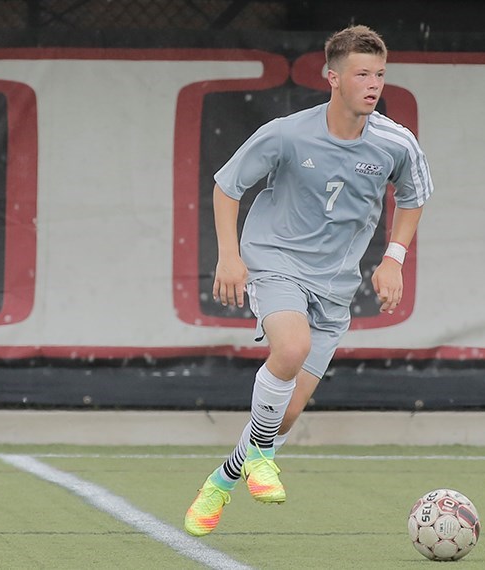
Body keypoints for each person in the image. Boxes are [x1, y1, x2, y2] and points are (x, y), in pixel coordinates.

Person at [183, 24, 433, 536]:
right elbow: (226, 187)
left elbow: (413, 197)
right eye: (361, 74)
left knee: (286, 414)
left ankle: (222, 481)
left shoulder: (396, 142)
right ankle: (260, 460)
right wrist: (229, 256)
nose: (373, 85)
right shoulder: (287, 133)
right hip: (276, 261)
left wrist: (394, 259)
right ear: (332, 78)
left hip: (335, 287)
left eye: (379, 75)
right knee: (291, 347)